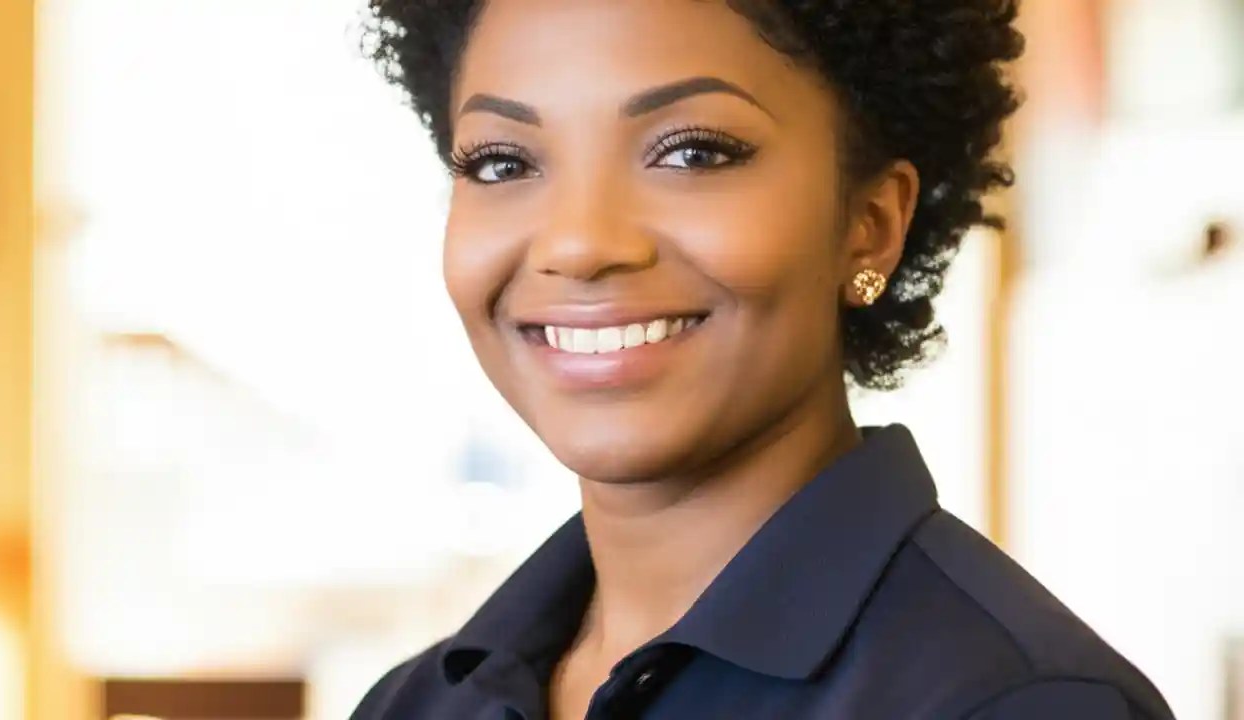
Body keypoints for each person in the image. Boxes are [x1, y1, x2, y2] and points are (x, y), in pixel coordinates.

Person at [351, 0, 1174, 717]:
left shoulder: (1018, 704)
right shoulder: (414, 705)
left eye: (693, 153)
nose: (578, 244)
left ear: (871, 225)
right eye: (503, 163)